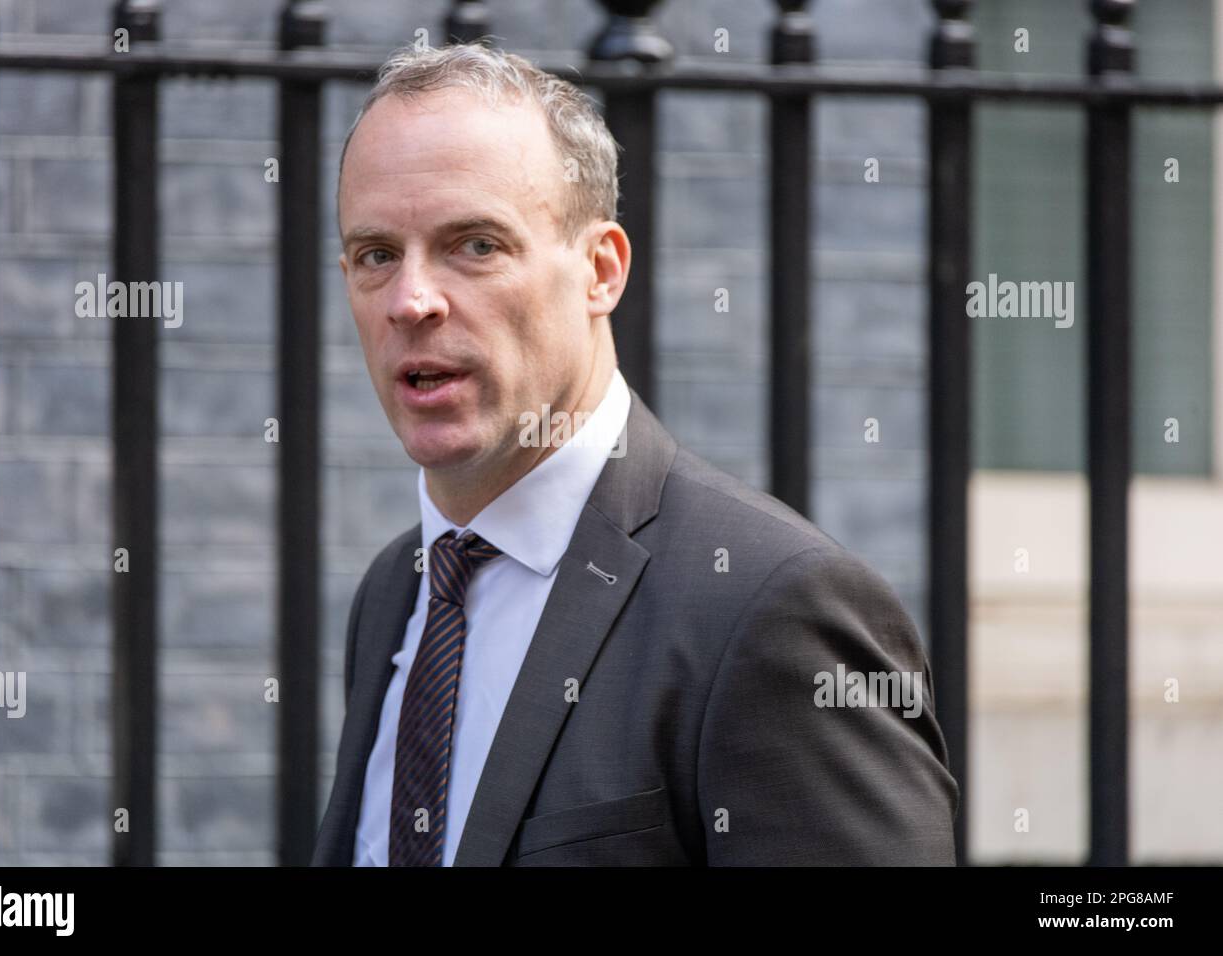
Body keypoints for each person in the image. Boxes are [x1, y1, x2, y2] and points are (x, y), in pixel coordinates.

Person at [311, 42, 958, 866]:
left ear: (601, 271)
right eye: (376, 256)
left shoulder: (772, 608)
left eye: (475, 245)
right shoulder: (395, 593)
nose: (413, 300)